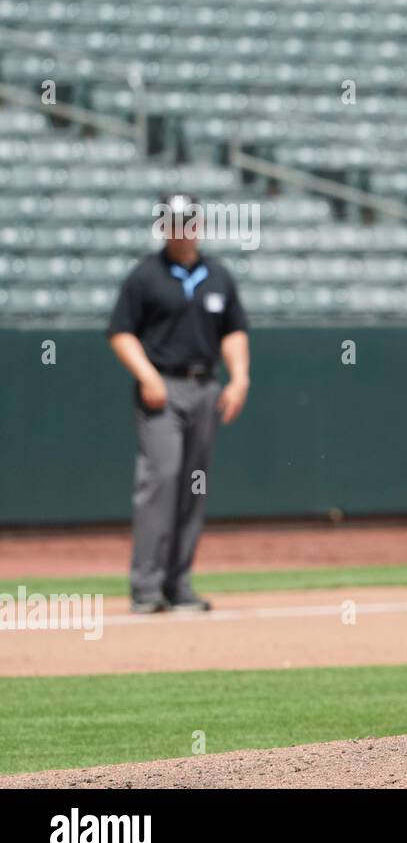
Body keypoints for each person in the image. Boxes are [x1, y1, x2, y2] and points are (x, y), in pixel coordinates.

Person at [107, 194, 251, 614]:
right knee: (162, 478)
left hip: (205, 387)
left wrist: (239, 378)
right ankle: (146, 587)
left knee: (194, 484)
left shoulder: (217, 276)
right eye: (174, 221)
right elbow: (120, 331)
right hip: (163, 389)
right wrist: (146, 374)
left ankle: (178, 583)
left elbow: (234, 332)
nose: (183, 227)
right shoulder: (146, 276)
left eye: (189, 220)